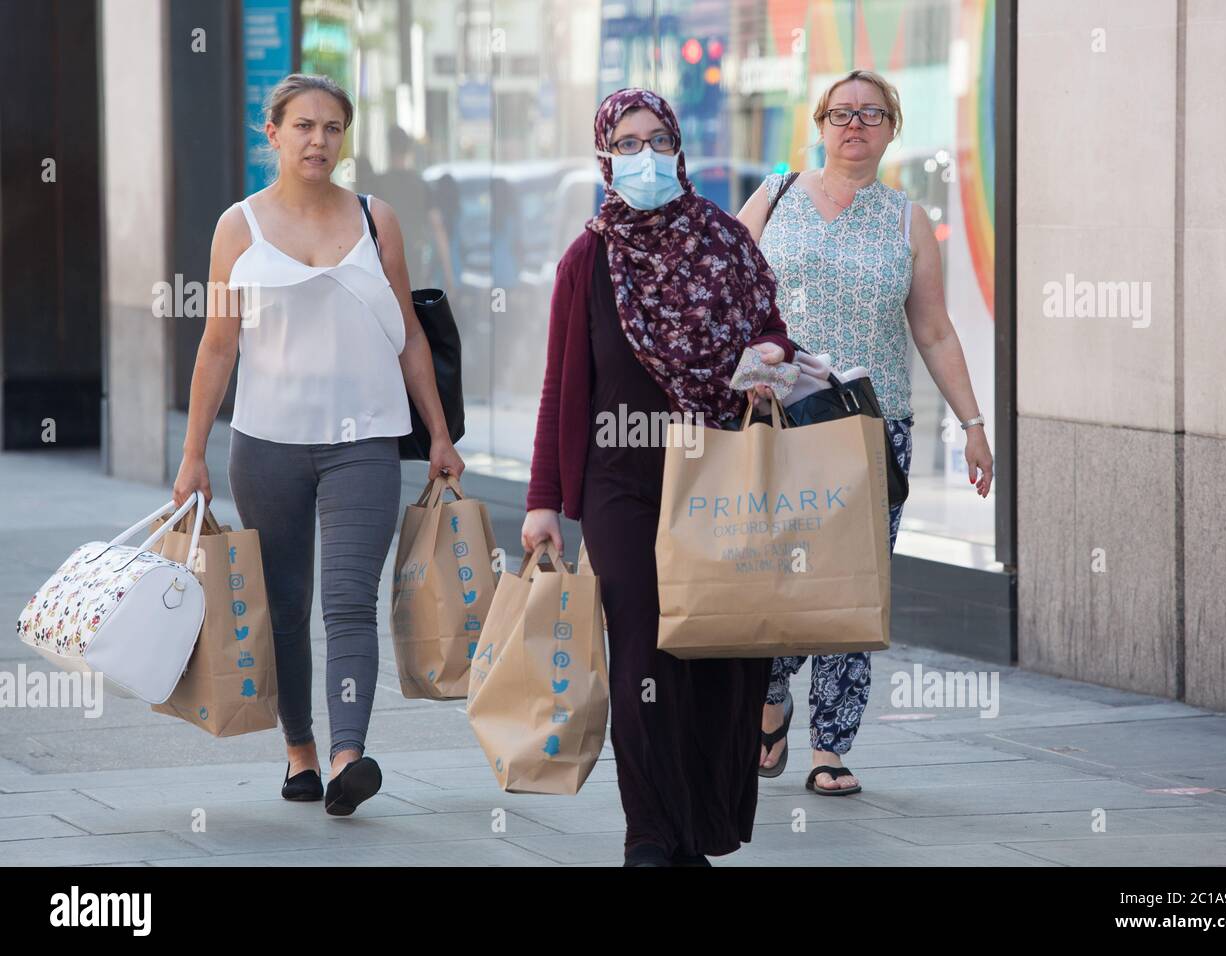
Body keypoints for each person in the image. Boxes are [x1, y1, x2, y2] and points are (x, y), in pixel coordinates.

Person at [172, 73, 462, 815]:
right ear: (273, 134)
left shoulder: (375, 218)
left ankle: (347, 756)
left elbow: (409, 336)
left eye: (332, 128)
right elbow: (217, 346)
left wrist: (438, 434)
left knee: (349, 600)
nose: (318, 141)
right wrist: (193, 453)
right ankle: (300, 748)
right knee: (286, 604)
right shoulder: (238, 227)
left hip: (363, 443)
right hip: (265, 445)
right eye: (303, 126)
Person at [521, 88, 796, 866]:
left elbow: (773, 328)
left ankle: (699, 829)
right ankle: (649, 832)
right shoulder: (588, 259)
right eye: (628, 143)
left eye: (659, 140)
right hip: (622, 485)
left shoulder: (726, 243)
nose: (646, 156)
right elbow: (559, 384)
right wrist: (543, 500)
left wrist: (768, 353)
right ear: (605, 159)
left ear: (679, 148)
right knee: (643, 656)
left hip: (721, 477)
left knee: (720, 654)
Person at [737, 68, 993, 796]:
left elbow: (934, 330)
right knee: (779, 578)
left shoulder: (908, 219)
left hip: (871, 430)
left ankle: (831, 747)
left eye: (872, 114)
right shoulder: (774, 195)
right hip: (780, 420)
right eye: (842, 112)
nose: (856, 124)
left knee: (855, 587)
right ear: (820, 124)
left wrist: (973, 425)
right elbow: (726, 294)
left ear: (891, 130)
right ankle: (771, 693)